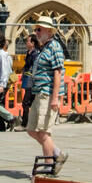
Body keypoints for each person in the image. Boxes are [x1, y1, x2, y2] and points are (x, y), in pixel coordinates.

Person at [25, 17, 68, 173]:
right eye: (36, 29)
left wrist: (55, 97)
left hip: (47, 94)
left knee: (43, 132)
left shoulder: (55, 47)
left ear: (49, 31)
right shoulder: (44, 47)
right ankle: (57, 153)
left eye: (39, 29)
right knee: (31, 129)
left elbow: (58, 72)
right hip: (39, 93)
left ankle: (48, 166)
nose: (36, 32)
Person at [20, 33, 40, 128]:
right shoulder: (29, 53)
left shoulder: (35, 54)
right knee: (30, 102)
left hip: (32, 82)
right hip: (28, 80)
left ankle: (25, 124)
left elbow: (34, 68)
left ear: (32, 43)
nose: (26, 43)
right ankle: (31, 123)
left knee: (26, 102)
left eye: (27, 41)